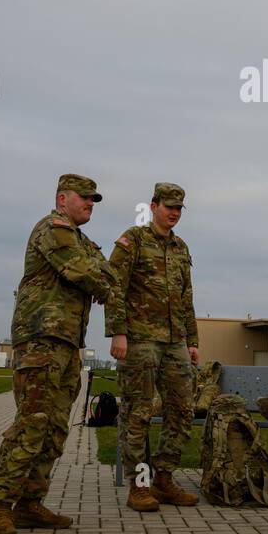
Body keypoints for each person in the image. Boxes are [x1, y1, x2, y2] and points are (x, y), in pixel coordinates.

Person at [0, 174, 116, 534]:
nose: (90, 204)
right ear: (62, 198)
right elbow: (89, 274)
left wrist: (103, 277)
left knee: (56, 428)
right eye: (84, 198)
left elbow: (107, 273)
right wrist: (101, 279)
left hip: (69, 343)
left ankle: (28, 503)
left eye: (93, 200)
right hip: (41, 340)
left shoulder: (82, 240)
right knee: (33, 422)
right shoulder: (52, 229)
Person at [105, 183, 200, 511]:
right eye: (168, 206)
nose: (173, 212)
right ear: (154, 206)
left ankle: (164, 480)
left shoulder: (181, 248)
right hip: (140, 340)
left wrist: (192, 341)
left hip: (175, 342)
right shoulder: (133, 240)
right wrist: (118, 332)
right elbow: (112, 285)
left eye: (179, 208)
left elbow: (186, 297)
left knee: (182, 409)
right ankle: (139, 486)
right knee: (139, 412)